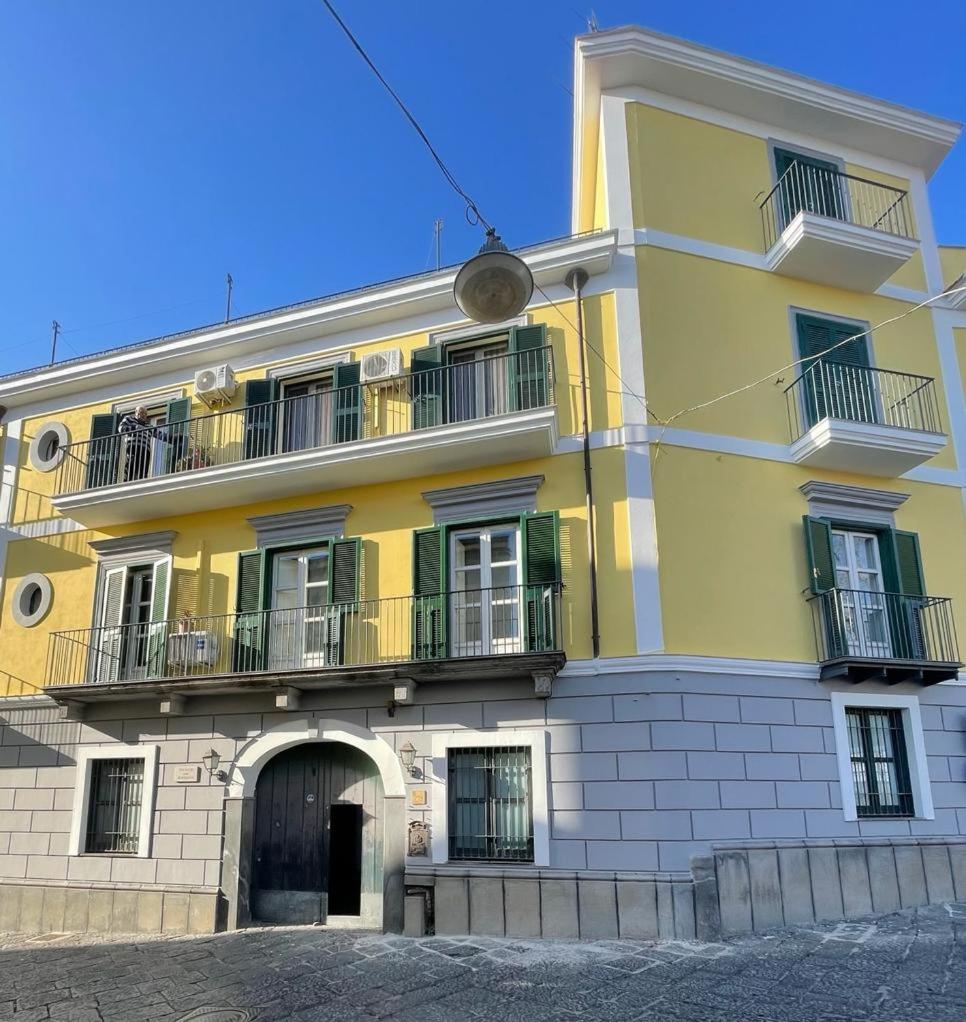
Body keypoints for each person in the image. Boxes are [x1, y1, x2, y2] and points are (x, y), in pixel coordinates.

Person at [118, 406, 166, 481]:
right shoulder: (129, 419)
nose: (143, 415)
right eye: (141, 412)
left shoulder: (149, 426)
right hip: (133, 447)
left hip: (145, 450)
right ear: (136, 413)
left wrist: (175, 437)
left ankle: (142, 481)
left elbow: (161, 435)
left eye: (145, 413)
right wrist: (135, 428)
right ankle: (126, 482)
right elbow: (121, 428)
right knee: (131, 466)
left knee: (143, 471)